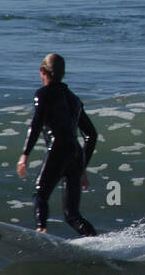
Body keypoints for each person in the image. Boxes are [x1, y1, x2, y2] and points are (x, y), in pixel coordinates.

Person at [16, 53, 98, 237]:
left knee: (40, 195)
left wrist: (24, 155)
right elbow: (91, 135)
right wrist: (82, 166)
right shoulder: (74, 99)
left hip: (58, 151)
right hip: (76, 153)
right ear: (63, 73)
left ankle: (41, 230)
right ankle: (97, 242)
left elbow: (36, 125)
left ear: (42, 71)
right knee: (72, 215)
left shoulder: (43, 94)